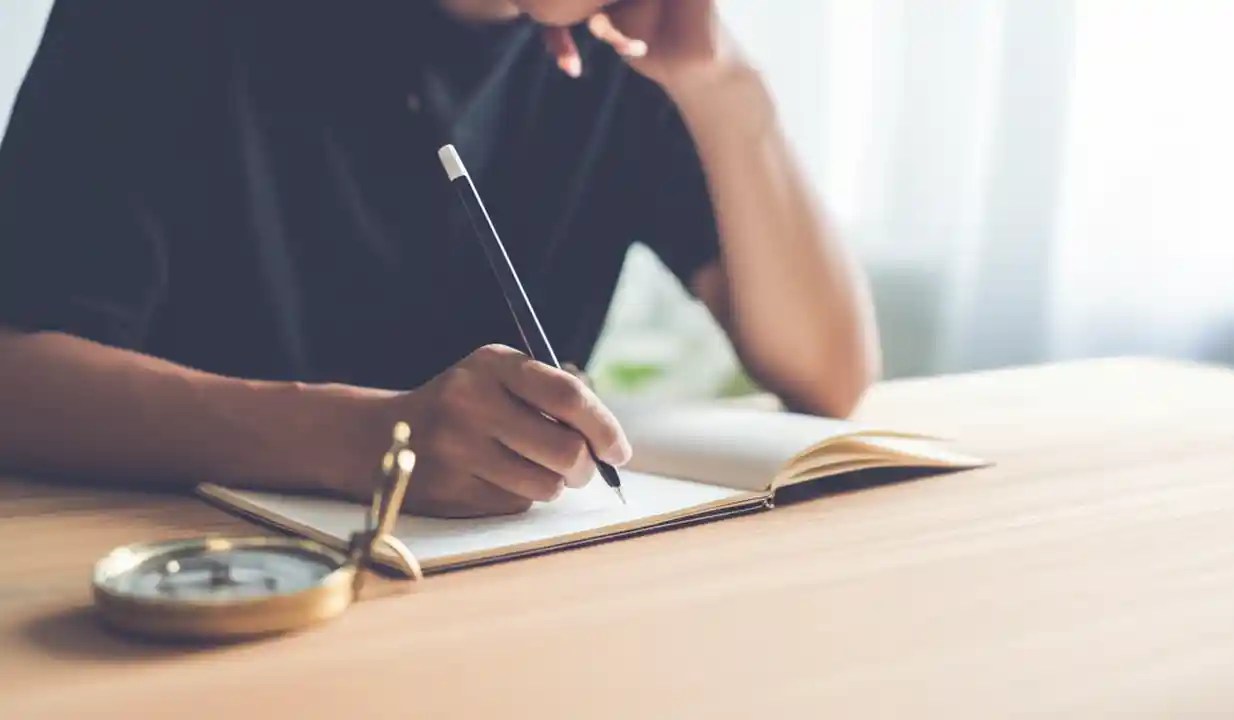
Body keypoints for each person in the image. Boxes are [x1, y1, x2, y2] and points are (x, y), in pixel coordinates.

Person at [0, 0, 880, 517]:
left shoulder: (620, 54)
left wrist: (722, 86)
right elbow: (17, 379)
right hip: (188, 578)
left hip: (497, 597)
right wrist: (365, 440)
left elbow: (831, 373)